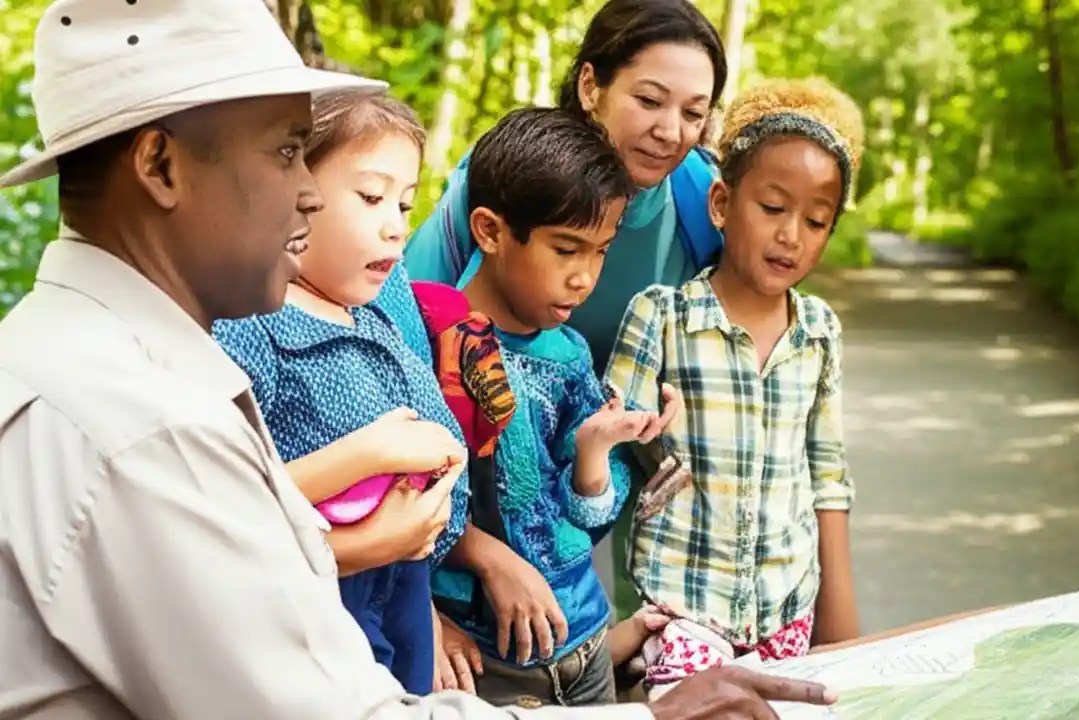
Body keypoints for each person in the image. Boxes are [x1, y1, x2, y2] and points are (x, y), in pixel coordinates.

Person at [0, 1, 835, 718]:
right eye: (286, 151)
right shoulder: (141, 432)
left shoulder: (109, 363)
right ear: (160, 164)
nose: (306, 193)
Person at [390, 0, 730, 626]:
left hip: (615, 452)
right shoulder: (511, 181)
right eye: (649, 100)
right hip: (484, 451)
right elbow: (395, 331)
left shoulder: (699, 198)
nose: (670, 130)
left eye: (693, 112)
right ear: (591, 85)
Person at [409, 108, 681, 708]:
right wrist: (431, 610)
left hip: (583, 649)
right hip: (480, 664)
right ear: (489, 229)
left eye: (601, 252)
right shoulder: (424, 341)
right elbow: (396, 502)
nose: (584, 277)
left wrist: (596, 449)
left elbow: (585, 518)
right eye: (566, 249)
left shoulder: (569, 355)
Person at [604, 78, 866, 695]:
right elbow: (606, 453)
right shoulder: (662, 317)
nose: (791, 236)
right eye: (772, 209)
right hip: (682, 604)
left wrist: (838, 607)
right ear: (721, 204)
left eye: (816, 220)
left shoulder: (820, 331)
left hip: (787, 606)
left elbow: (826, 473)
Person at [212, 88, 470, 696]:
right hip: (321, 611)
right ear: (294, 189)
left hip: (404, 595)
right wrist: (373, 455)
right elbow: (229, 492)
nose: (394, 226)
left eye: (405, 205)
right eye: (371, 197)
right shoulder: (253, 323)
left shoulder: (378, 314)